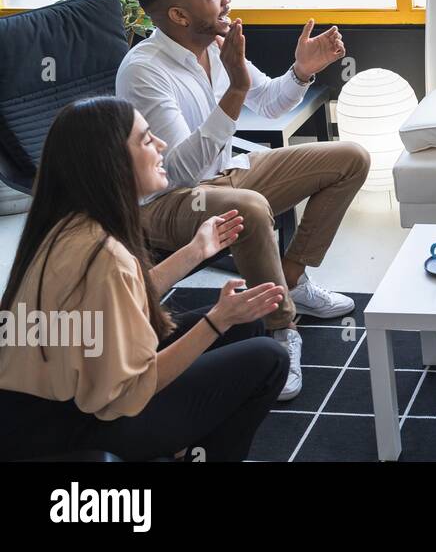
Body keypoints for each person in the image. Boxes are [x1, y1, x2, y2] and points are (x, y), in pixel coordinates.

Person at [116, 0, 370, 400]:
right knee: (248, 207)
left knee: (351, 157)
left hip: (228, 170)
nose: (226, 0)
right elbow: (183, 171)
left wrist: (302, 71)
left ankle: (289, 278)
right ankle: (280, 328)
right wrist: (234, 88)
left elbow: (271, 102)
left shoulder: (215, 46)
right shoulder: (144, 70)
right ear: (179, 16)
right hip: (168, 200)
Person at [0, 97, 287, 462]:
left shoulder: (68, 225)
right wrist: (218, 320)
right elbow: (128, 392)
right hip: (72, 428)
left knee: (246, 328)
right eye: (148, 139)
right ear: (113, 162)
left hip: (41, 409)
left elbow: (119, 299)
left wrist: (196, 251)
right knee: (268, 358)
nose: (162, 145)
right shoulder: (104, 256)